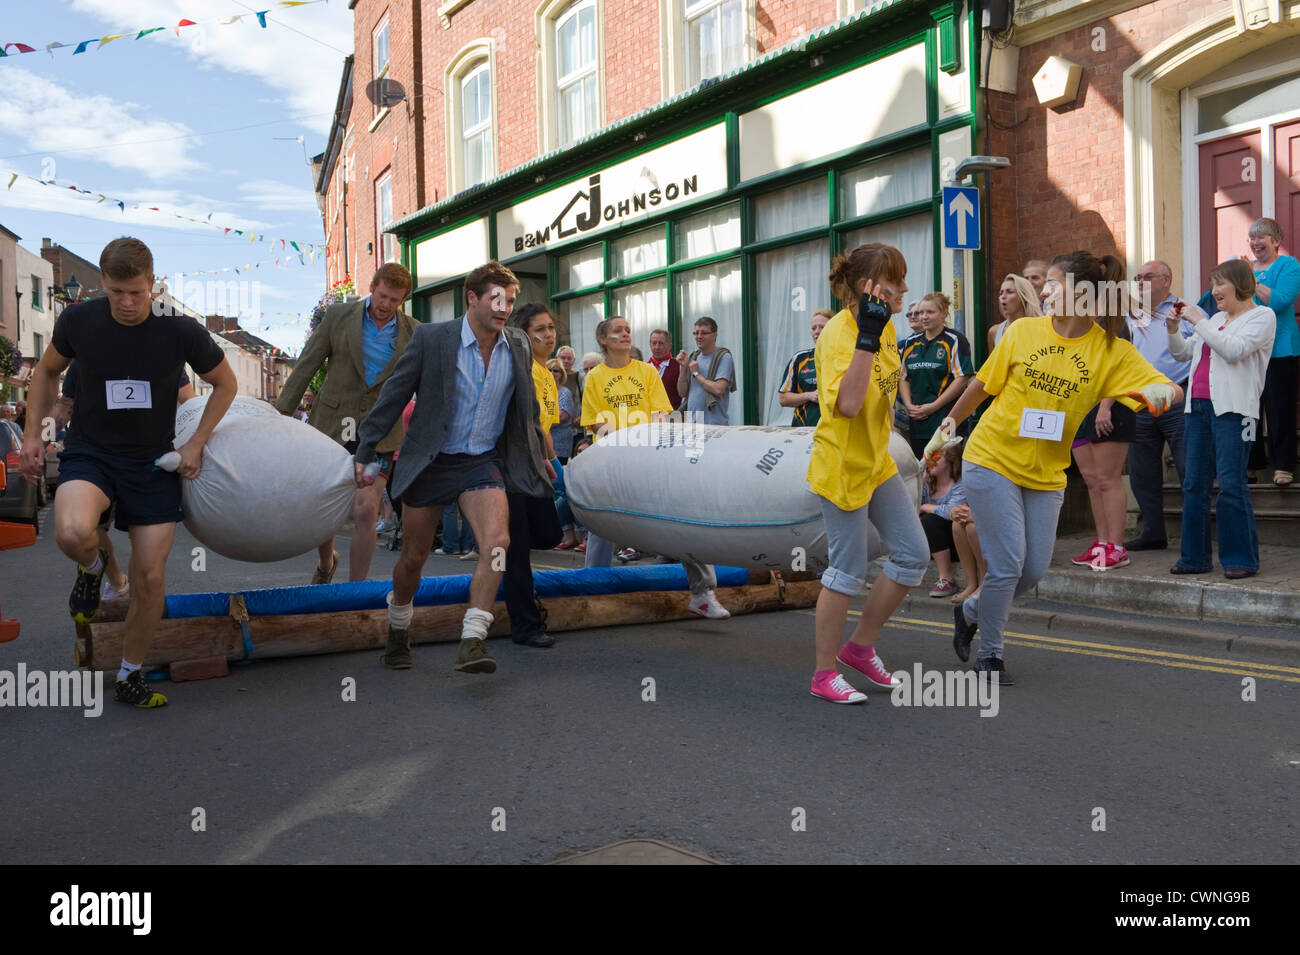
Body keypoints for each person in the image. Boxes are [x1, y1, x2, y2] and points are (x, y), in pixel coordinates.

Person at [939, 249, 1181, 685]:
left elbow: (1167, 390)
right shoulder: (1023, 332)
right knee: (1008, 565)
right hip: (992, 457)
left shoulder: (1112, 351)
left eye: (1053, 284)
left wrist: (1158, 398)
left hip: (1047, 472)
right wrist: (949, 425)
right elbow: (982, 384)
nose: (1044, 291)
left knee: (1031, 571)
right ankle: (990, 656)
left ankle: (971, 610)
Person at [18, 237, 237, 708]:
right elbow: (46, 372)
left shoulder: (180, 330)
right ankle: (94, 566)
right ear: (103, 284)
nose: (127, 302)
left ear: (152, 284)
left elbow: (225, 383)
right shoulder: (79, 320)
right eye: (116, 291)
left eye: (136, 292)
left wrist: (196, 441)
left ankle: (131, 673)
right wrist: (34, 435)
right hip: (92, 452)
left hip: (153, 462)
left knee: (151, 579)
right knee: (74, 531)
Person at [354, 261, 554, 673]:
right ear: (472, 299)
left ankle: (473, 639)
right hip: (431, 462)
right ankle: (398, 629)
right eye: (496, 299)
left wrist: (539, 457)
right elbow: (394, 394)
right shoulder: (433, 338)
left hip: (481, 462)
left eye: (510, 301)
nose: (504, 308)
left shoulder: (516, 343)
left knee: (498, 542)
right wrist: (365, 448)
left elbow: (527, 410)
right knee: (414, 557)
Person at [807, 243, 930, 704]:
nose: (905, 288)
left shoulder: (888, 327)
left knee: (913, 555)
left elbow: (885, 392)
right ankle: (823, 676)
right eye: (896, 280)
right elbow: (850, 404)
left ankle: (859, 648)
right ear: (869, 287)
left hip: (876, 461)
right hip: (841, 464)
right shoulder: (839, 334)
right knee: (848, 570)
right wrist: (866, 337)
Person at [277, 263, 419, 584]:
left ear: (403, 300)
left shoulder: (414, 332)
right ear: (372, 287)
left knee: (366, 509)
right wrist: (280, 415)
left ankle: (356, 593)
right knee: (325, 506)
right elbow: (306, 365)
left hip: (380, 432)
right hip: (332, 425)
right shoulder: (338, 317)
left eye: (394, 300)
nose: (386, 305)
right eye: (382, 296)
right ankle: (327, 563)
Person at [582, 315, 730, 619]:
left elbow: (662, 412)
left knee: (680, 518)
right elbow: (594, 420)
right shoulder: (595, 376)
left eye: (627, 329)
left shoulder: (646, 372)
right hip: (613, 458)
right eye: (617, 331)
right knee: (600, 524)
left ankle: (702, 593)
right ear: (603, 339)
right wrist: (621, 440)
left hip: (649, 457)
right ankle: (591, 589)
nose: (625, 334)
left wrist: (652, 437)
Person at [1167, 259, 1275, 579]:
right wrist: (1174, 330)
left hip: (1234, 411)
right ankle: (1195, 558)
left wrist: (1200, 320)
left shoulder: (1261, 316)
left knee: (1231, 485)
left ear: (1240, 284)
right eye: (1212, 284)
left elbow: (1234, 350)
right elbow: (1183, 353)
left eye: (1220, 284)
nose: (1213, 291)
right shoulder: (1215, 320)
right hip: (1197, 409)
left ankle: (1240, 559)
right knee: (1193, 485)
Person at [1124, 260, 1200, 550]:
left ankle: (1195, 535)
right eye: (1137, 277)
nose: (1140, 282)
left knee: (1187, 468)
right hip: (1140, 400)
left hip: (1178, 396)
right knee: (1142, 472)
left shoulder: (1186, 310)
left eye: (1147, 277)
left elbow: (1203, 350)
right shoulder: (1131, 317)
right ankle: (1153, 533)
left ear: (1166, 280)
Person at [1069, 255, 1138, 570]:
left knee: (1108, 479)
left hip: (1111, 408)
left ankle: (1117, 547)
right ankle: (1101, 544)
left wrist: (1106, 406)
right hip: (1081, 410)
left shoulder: (1115, 322)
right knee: (1091, 479)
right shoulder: (1080, 322)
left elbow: (1118, 369)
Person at [503, 304, 565, 648]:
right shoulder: (522, 365)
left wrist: (548, 461)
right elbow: (532, 426)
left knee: (547, 534)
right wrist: (553, 461)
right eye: (539, 329)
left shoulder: (546, 372)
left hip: (535, 465)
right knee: (516, 547)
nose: (548, 335)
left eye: (551, 327)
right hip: (512, 466)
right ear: (523, 335)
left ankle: (515, 593)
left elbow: (545, 426)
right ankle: (526, 623)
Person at [1243, 217, 1300, 486]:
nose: (1255, 243)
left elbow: (1279, 301)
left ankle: (1284, 465)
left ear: (1276, 241)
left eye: (1261, 237)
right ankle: (1252, 463)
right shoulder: (1246, 269)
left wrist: (1248, 280)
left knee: (1280, 409)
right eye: (1252, 238)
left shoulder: (1288, 265)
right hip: (1249, 352)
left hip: (1280, 350)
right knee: (1248, 410)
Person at [898, 292, 974, 459]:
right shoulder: (911, 342)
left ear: (944, 313)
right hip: (918, 422)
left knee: (946, 469)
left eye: (930, 312)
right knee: (923, 470)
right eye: (920, 313)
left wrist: (933, 406)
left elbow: (962, 379)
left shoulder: (955, 340)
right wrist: (909, 405)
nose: (924, 317)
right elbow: (903, 378)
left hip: (947, 421)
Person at [920, 445, 973, 599]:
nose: (930, 461)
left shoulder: (960, 484)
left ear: (951, 460)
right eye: (928, 456)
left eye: (936, 457)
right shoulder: (927, 483)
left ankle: (947, 578)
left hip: (955, 545)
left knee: (931, 520)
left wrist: (925, 506)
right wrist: (920, 482)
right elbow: (909, 508)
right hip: (929, 545)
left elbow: (953, 512)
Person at [676, 317, 736, 425]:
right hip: (692, 424)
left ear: (715, 335)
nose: (699, 336)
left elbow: (718, 389)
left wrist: (696, 373)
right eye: (696, 333)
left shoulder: (723, 357)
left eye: (704, 333)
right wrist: (684, 368)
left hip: (713, 425)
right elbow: (682, 392)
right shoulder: (694, 357)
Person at [778, 309, 831, 427]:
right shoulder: (799, 359)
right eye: (813, 328)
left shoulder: (843, 358)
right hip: (802, 431)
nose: (817, 331)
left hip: (833, 432)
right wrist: (808, 395)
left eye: (822, 327)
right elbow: (783, 398)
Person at [987, 274, 1042, 352]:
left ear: (1024, 297)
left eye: (1010, 292)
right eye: (1001, 293)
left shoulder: (1040, 329)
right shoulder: (994, 332)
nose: (1003, 296)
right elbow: (993, 364)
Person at [646, 328, 684, 411]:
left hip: (672, 417)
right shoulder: (644, 368)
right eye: (654, 343)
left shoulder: (679, 366)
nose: (657, 347)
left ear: (669, 345)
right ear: (650, 345)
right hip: (649, 419)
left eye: (661, 343)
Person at [548, 358, 575, 463]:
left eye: (556, 371)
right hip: (544, 444)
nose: (552, 373)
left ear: (561, 374)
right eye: (549, 370)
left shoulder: (564, 393)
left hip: (560, 445)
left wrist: (539, 425)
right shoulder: (541, 392)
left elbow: (559, 417)